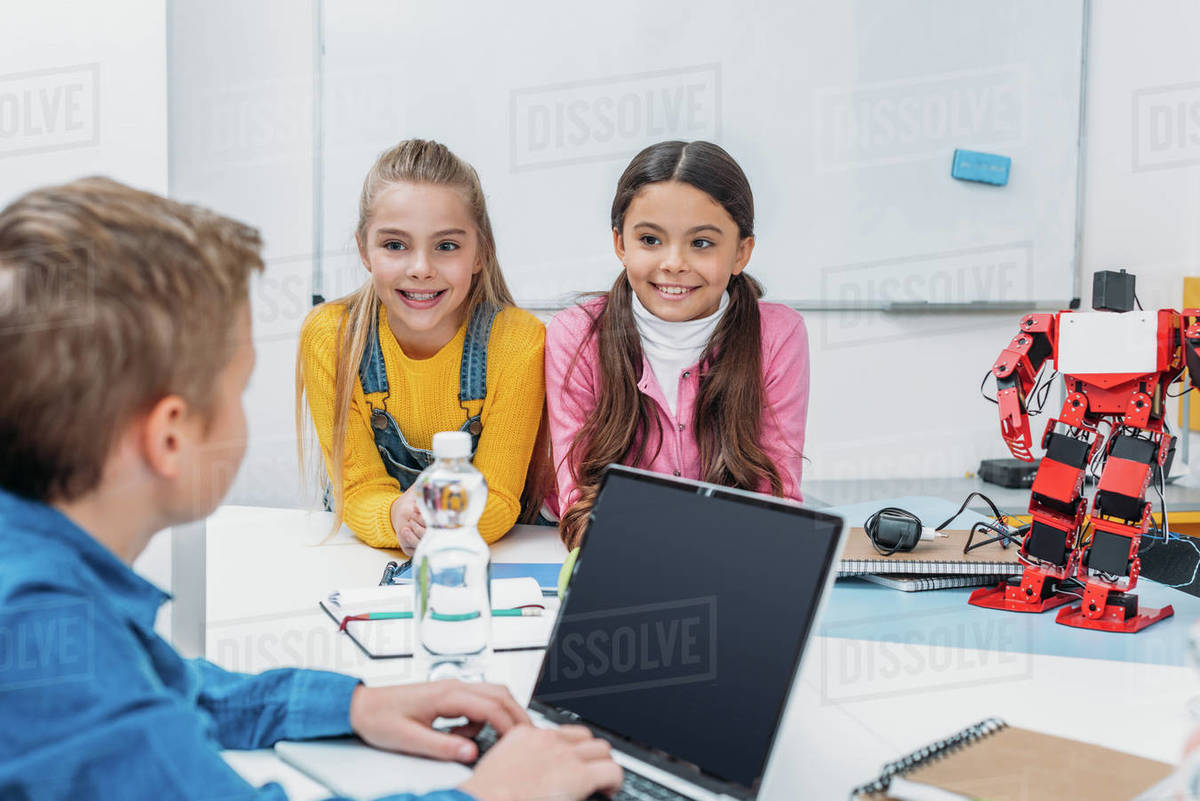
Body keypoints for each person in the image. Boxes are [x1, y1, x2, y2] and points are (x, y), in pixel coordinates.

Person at [0, 177, 620, 801]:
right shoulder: (47, 646)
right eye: (238, 389)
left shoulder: (43, 600)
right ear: (170, 437)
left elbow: (170, 687)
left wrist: (353, 707)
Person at [546, 140, 810, 562]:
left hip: (729, 566)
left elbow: (776, 500)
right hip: (617, 560)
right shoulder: (575, 334)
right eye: (650, 239)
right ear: (620, 244)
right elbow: (577, 500)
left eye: (701, 243)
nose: (673, 263)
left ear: (741, 252)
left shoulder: (778, 335)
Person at [298, 140, 547, 555]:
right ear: (364, 250)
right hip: (365, 558)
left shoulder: (518, 341)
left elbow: (500, 497)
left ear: (480, 253)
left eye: (446, 246)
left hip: (483, 559)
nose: (420, 269)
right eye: (395, 245)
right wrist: (395, 514)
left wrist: (439, 522)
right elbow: (359, 488)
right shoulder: (331, 337)